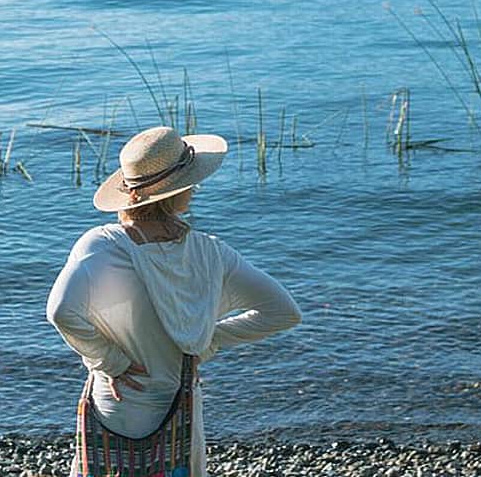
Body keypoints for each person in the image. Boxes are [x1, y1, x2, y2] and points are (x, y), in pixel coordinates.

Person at [47, 126, 301, 477]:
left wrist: (110, 360)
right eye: (191, 183)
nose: (195, 189)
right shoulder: (211, 253)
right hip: (178, 402)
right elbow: (283, 312)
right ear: (181, 191)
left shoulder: (101, 247)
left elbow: (61, 311)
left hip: (118, 399)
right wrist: (208, 340)